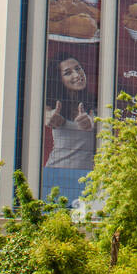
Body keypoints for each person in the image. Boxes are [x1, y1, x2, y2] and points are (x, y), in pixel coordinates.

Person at [42, 54, 96, 197]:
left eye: (78, 69)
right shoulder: (52, 104)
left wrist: (91, 123)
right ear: (59, 79)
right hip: (56, 174)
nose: (77, 75)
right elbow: (46, 116)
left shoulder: (96, 102)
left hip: (87, 177)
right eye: (68, 73)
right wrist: (51, 118)